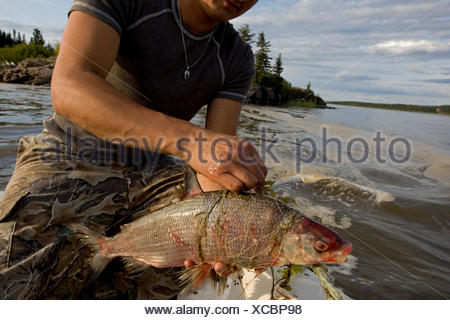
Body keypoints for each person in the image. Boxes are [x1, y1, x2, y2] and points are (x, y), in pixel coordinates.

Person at [0, 0, 266, 299]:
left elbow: (218, 163)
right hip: (69, 150)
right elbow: (69, 86)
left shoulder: (237, 56)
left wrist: (220, 228)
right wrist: (189, 140)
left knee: (166, 285)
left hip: (155, 172)